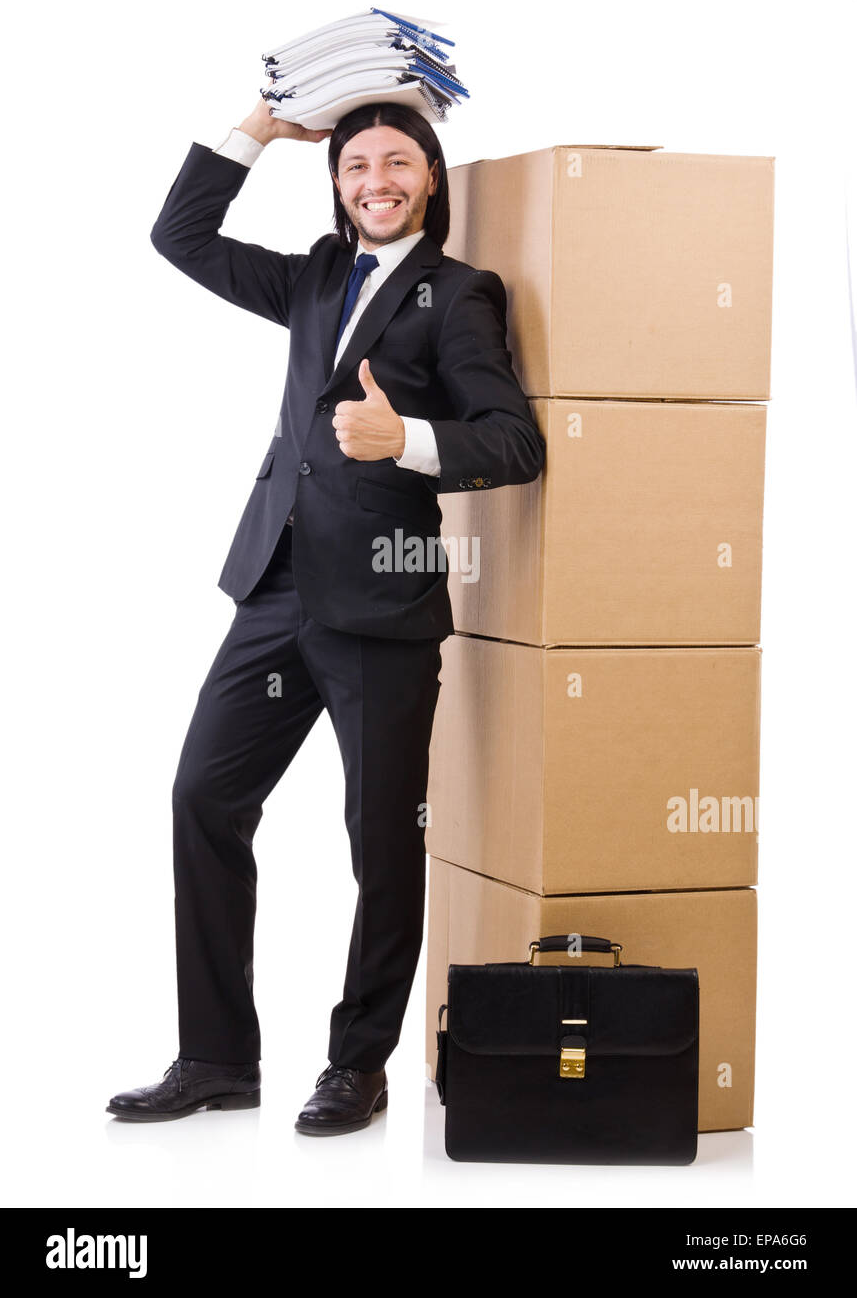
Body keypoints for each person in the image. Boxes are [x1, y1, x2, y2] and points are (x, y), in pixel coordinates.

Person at [106, 94, 546, 1134]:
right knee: (204, 796)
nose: (375, 181)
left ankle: (358, 1063)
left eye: (398, 162)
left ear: (431, 178)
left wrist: (411, 441)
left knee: (381, 840)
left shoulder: (460, 294)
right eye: (356, 166)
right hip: (277, 584)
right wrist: (260, 124)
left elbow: (515, 441)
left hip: (381, 607)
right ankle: (217, 1055)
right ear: (336, 182)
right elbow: (180, 236)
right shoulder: (311, 276)